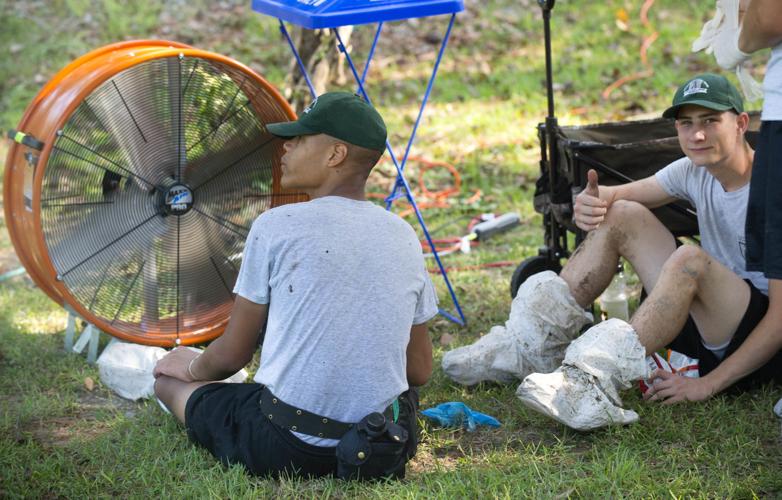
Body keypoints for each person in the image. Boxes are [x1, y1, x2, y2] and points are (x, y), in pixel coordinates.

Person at [153, 91, 439, 479]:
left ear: (335, 155)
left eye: (301, 139)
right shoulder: (404, 235)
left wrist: (189, 367)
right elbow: (419, 370)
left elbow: (231, 358)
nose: (286, 147)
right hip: (383, 446)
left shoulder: (276, 226)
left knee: (169, 386)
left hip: (284, 446)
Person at [563, 73, 782, 402]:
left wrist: (707, 385)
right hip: (710, 320)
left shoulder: (773, 185)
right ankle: (533, 337)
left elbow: (780, 319)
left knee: (689, 259)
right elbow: (614, 197)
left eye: (710, 121)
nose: (697, 134)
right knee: (623, 212)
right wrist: (590, 203)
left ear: (741, 123)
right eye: (686, 123)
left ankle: (593, 376)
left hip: (761, 345)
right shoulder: (693, 170)